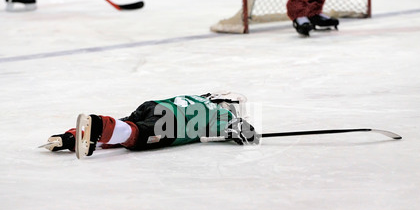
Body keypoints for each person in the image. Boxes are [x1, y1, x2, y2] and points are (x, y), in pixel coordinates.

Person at [41, 93, 260, 158]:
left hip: (153, 107)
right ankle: (100, 124)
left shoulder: (201, 97)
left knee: (125, 130)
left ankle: (71, 137)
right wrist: (247, 133)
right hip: (171, 123)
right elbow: (239, 129)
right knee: (136, 137)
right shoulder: (221, 113)